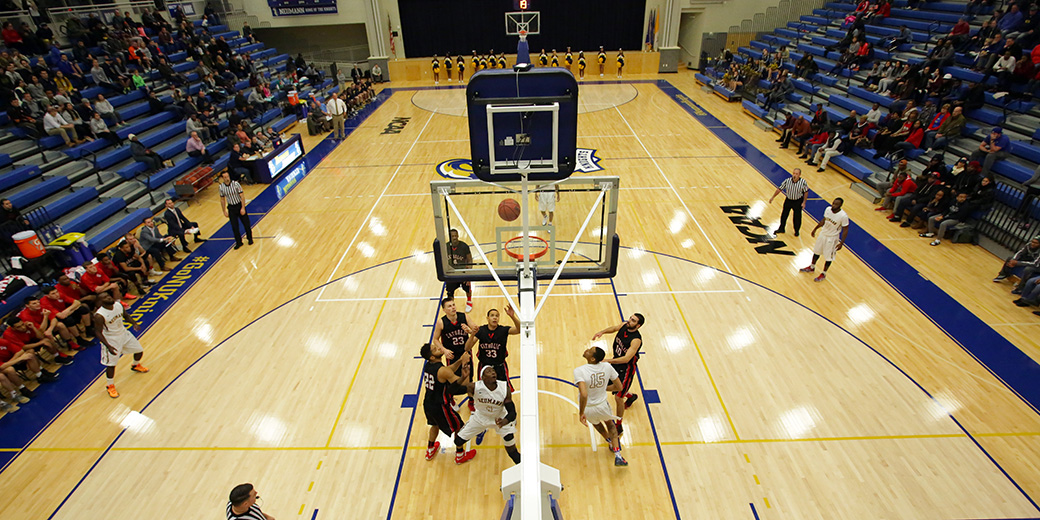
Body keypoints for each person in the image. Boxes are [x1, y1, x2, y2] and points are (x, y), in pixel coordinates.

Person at [591, 312, 645, 437]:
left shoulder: (636, 340)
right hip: (616, 362)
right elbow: (614, 328)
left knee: (618, 397)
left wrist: (608, 360)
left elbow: (626, 359)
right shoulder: (624, 325)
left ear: (638, 325)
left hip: (626, 369)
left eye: (633, 321)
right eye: (630, 318)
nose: (629, 321)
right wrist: (602, 332)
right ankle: (631, 396)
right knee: (609, 385)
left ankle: (619, 424)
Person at [453, 365, 520, 464]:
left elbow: (512, 412)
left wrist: (504, 421)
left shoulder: (504, 389)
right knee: (458, 441)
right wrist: (463, 377)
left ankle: (525, 471)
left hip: (499, 418)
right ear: (483, 377)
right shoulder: (474, 386)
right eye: (488, 371)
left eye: (493, 371)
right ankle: (460, 455)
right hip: (480, 417)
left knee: (512, 452)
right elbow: (452, 390)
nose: (493, 372)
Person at [574, 346, 627, 466]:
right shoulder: (607, 366)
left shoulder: (579, 371)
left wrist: (581, 413)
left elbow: (584, 394)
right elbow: (619, 387)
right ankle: (618, 455)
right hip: (603, 405)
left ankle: (609, 441)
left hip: (588, 408)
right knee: (611, 426)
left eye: (589, 351)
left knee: (597, 425)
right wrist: (604, 388)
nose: (586, 350)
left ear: (592, 359)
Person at [420, 342, 472, 463]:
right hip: (441, 406)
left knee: (434, 425)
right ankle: (460, 455)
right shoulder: (442, 371)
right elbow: (460, 385)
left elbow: (447, 370)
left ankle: (430, 449)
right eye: (435, 349)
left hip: (428, 403)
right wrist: (465, 370)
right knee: (459, 427)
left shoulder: (429, 365)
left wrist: (459, 361)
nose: (438, 348)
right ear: (432, 356)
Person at [94, 292, 148, 398]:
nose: (108, 297)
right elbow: (98, 332)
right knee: (111, 364)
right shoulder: (100, 315)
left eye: (108, 295)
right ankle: (110, 385)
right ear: (101, 302)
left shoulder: (118, 305)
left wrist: (134, 323)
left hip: (123, 333)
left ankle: (135, 365)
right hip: (111, 340)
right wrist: (108, 346)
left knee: (139, 350)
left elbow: (126, 316)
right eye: (104, 297)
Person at [465, 304, 520, 398]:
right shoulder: (481, 330)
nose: (495, 318)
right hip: (484, 366)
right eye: (492, 315)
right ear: (487, 318)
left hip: (500, 365)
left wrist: (512, 316)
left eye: (497, 316)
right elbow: (467, 348)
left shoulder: (503, 330)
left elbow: (519, 330)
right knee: (482, 389)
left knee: (506, 390)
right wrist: (473, 334)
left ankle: (506, 406)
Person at [432, 297, 473, 402]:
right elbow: (435, 339)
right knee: (451, 379)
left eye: (453, 305)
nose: (453, 308)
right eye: (449, 306)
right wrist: (444, 350)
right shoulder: (441, 322)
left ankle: (471, 400)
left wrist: (470, 331)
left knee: (469, 377)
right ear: (444, 310)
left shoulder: (464, 316)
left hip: (465, 352)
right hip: (452, 354)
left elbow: (476, 329)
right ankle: (450, 400)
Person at [800, 198, 850, 282]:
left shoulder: (843, 216)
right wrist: (815, 228)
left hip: (832, 238)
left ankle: (823, 273)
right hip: (823, 234)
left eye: (836, 204)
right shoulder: (828, 209)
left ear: (840, 205)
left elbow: (845, 229)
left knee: (828, 257)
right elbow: (824, 220)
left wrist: (841, 243)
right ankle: (812, 267)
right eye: (833, 203)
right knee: (816, 251)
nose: (833, 205)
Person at [218, 171, 253, 250]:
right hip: (231, 207)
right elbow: (222, 199)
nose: (227, 178)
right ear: (222, 178)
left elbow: (242, 196)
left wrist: (243, 207)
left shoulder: (236, 184)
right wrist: (224, 210)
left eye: (227, 176)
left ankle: (250, 238)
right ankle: (238, 242)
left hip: (239, 205)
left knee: (246, 224)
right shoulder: (221, 187)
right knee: (234, 226)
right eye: (225, 177)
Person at [769, 168, 808, 236]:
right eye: (794, 173)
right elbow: (779, 189)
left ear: (799, 175)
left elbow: (806, 192)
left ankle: (796, 230)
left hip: (798, 201)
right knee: (784, 215)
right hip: (788, 200)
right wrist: (773, 197)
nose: (795, 175)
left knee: (797, 217)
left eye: (796, 174)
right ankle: (782, 228)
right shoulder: (787, 181)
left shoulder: (803, 182)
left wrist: (804, 202)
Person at [445, 229, 474, 312]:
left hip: (463, 273)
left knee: (467, 289)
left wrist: (469, 274)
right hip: (451, 273)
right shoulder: (446, 246)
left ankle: (469, 301)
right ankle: (451, 305)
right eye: (452, 236)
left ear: (458, 236)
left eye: (455, 236)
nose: (454, 238)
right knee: (450, 292)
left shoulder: (464, 246)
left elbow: (469, 260)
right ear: (449, 237)